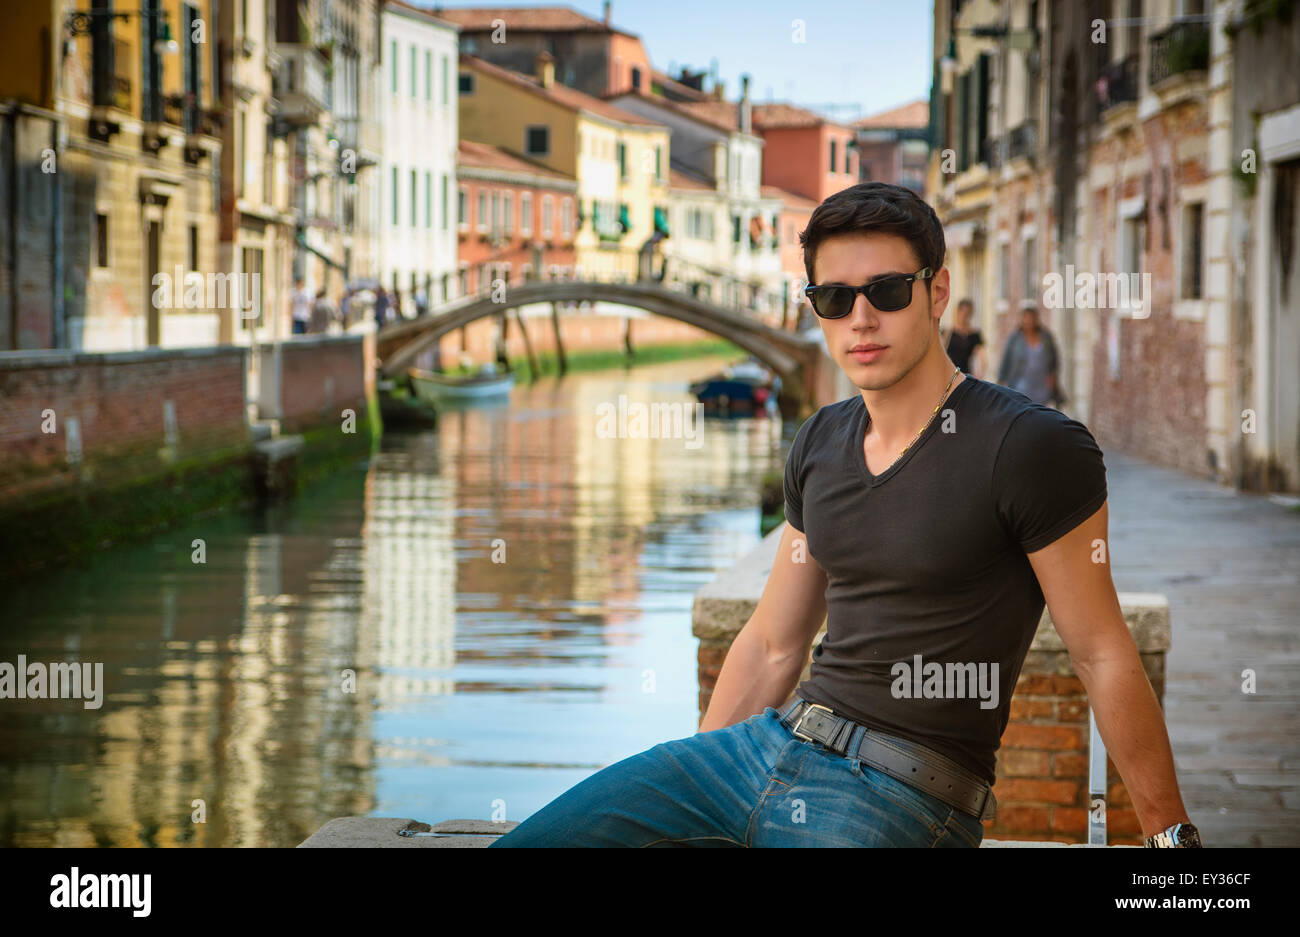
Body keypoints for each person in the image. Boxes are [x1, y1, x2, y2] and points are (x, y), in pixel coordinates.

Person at [490, 181, 1197, 849]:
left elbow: (1101, 651)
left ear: (937, 290)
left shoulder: (1030, 445)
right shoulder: (821, 440)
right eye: (834, 297)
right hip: (766, 746)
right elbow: (772, 641)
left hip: (901, 787)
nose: (861, 318)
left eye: (886, 291)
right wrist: (703, 779)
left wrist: (1170, 842)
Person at [997, 306, 1063, 407]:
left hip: (1042, 385)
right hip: (1020, 384)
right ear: (1021, 320)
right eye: (1026, 318)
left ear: (1036, 319)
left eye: (1031, 318)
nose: (1029, 321)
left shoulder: (1046, 337)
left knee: (1040, 413)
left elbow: (1054, 359)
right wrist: (1001, 381)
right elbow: (1006, 359)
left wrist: (1053, 377)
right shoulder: (1015, 339)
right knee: (1022, 410)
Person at [943, 298, 985, 378]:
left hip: (966, 376)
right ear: (957, 312)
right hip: (948, 376)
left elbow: (982, 359)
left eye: (968, 314)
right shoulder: (947, 333)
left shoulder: (974, 335)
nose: (965, 316)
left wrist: (979, 376)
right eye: (963, 312)